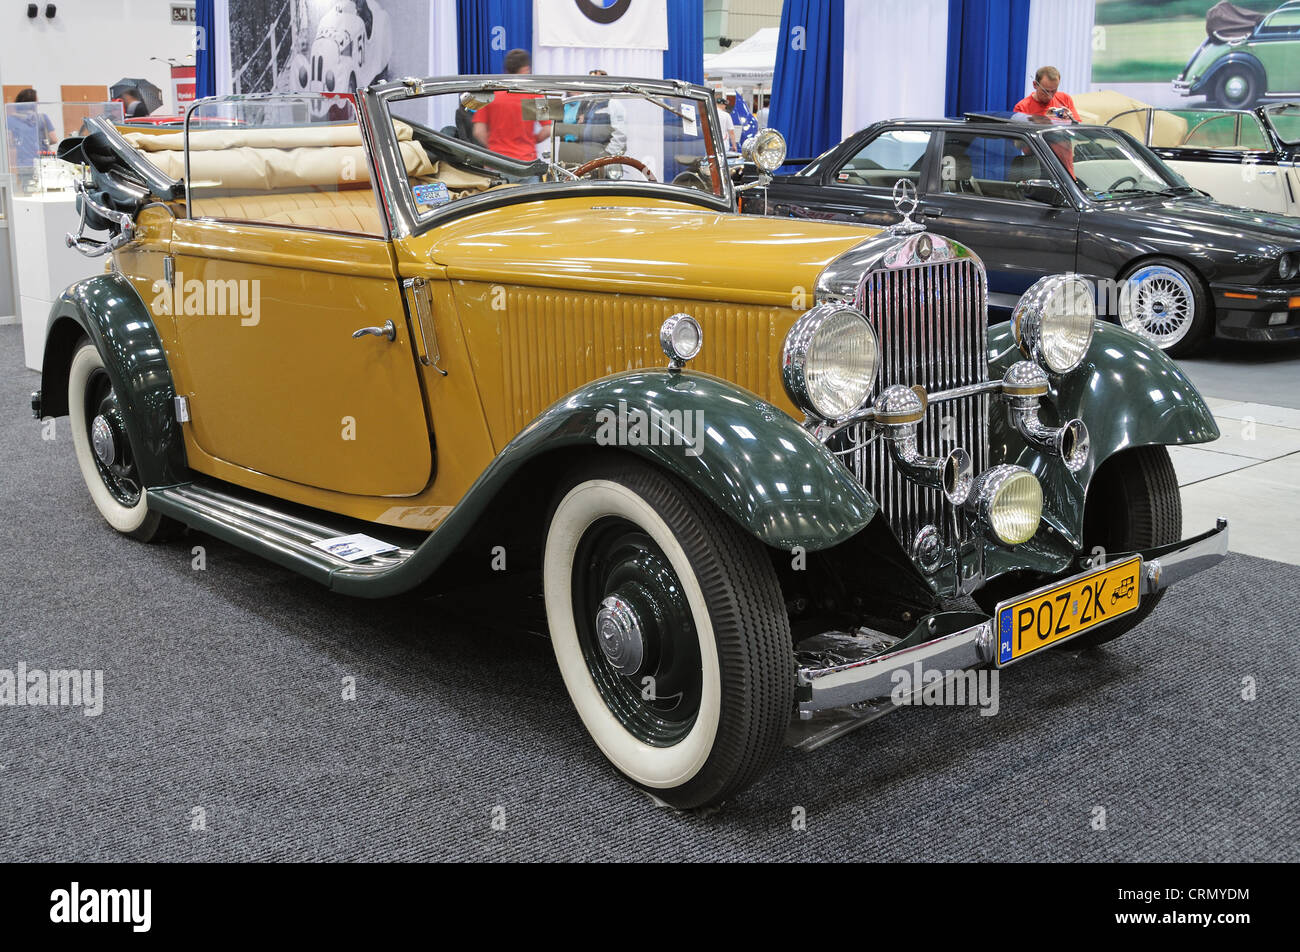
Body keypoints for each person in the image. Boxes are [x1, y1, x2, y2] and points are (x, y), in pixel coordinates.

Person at [472, 48, 551, 165]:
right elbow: (549, 129)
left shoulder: (490, 95)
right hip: (526, 160)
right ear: (525, 69)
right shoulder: (534, 95)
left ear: (506, 70)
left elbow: (478, 132)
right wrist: (532, 141)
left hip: (497, 160)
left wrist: (495, 146)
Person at [8, 89, 56, 177]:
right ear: (34, 103)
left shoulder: (10, 120)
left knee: (27, 188)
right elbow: (53, 139)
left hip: (22, 162)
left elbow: (10, 142)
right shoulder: (42, 118)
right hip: (42, 162)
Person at [1013, 66, 1080, 121]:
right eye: (1045, 91)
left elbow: (1078, 129)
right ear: (1035, 85)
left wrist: (1071, 120)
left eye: (1054, 91)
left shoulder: (1065, 99)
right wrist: (1044, 120)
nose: (1049, 96)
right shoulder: (1022, 108)